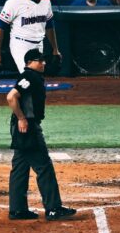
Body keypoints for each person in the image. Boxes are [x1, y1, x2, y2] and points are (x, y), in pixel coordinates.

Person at [6, 49, 76, 221]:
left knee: (20, 168)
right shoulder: (29, 76)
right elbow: (11, 97)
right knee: (44, 167)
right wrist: (22, 118)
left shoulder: (31, 76)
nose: (43, 63)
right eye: (40, 60)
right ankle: (53, 208)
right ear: (30, 62)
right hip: (28, 128)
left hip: (21, 129)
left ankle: (17, 210)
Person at [0, 0, 61, 73]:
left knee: (37, 76)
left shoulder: (46, 1)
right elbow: (0, 28)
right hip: (20, 44)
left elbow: (49, 26)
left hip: (39, 44)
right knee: (28, 73)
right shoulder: (14, 2)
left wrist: (55, 49)